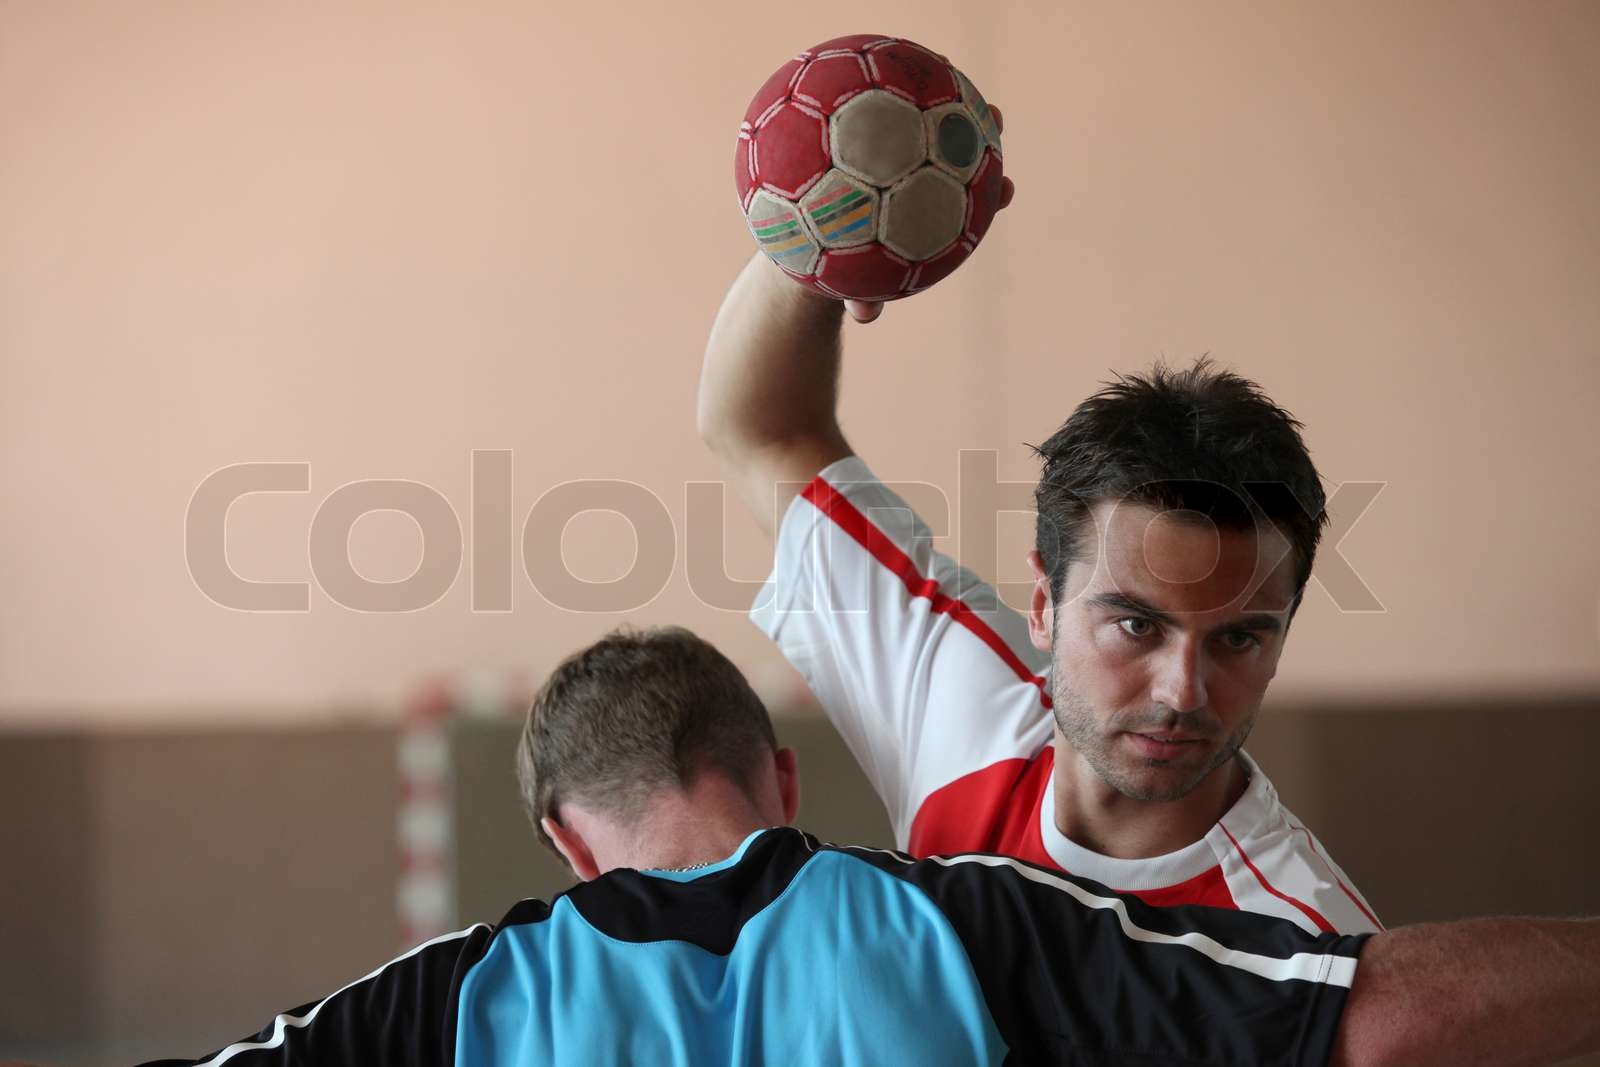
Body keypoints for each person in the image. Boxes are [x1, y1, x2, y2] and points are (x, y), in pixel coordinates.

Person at [136, 627, 1599, 1066]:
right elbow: (1368, 1017)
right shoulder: (969, 921)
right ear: (779, 775)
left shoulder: (455, 999)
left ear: (565, 839)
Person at [698, 112, 1379, 933]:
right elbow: (763, 430)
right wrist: (825, 233)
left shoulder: (1311, 944)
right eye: (1136, 624)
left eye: (1240, 638)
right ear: (1044, 606)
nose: (1183, 691)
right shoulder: (966, 707)